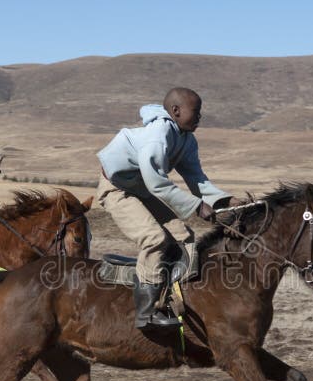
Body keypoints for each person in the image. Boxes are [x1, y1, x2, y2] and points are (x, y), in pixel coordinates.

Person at [96, 87, 240, 330]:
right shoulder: (158, 134)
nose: (200, 118)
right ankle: (147, 312)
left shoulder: (186, 140)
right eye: (196, 112)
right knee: (154, 239)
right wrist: (197, 207)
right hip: (117, 189)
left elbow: (197, 179)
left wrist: (225, 202)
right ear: (175, 111)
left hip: (141, 190)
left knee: (184, 237)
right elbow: (156, 182)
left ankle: (170, 298)